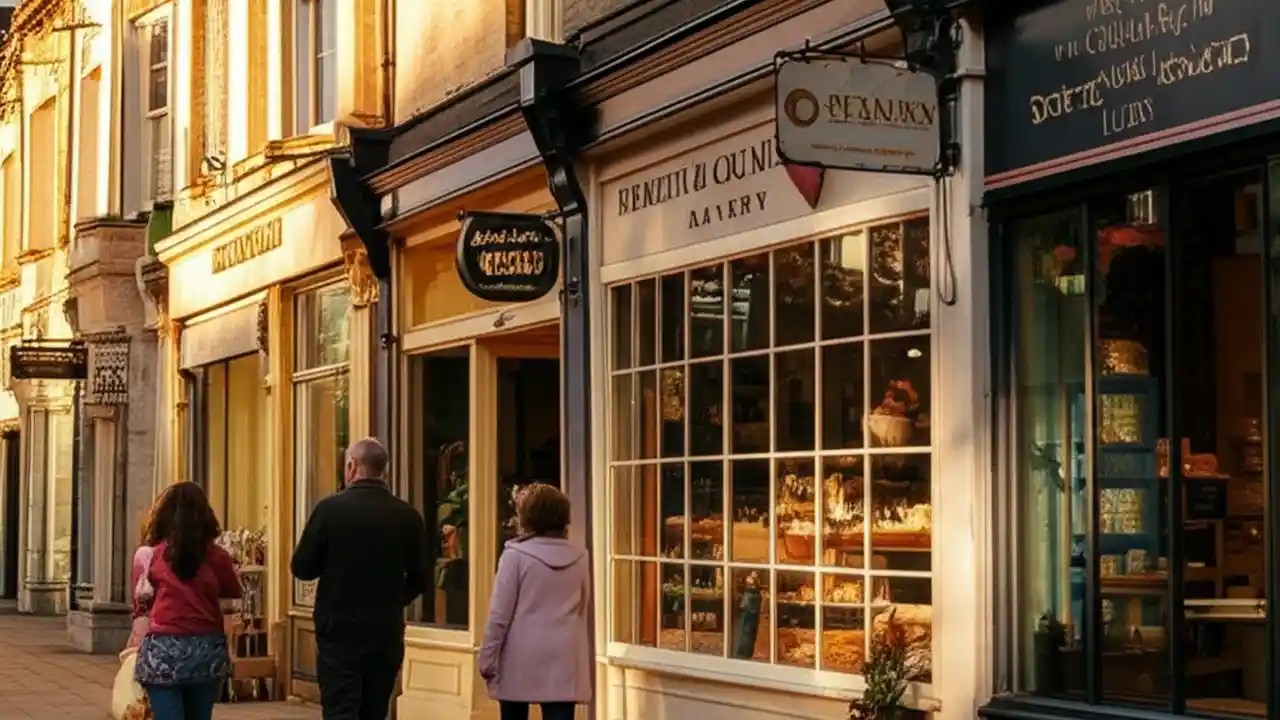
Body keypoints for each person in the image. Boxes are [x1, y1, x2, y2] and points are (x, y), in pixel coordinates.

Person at [292, 437, 428, 720]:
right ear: (384, 470)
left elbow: (302, 567)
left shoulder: (330, 510)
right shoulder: (407, 516)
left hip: (338, 628)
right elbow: (420, 577)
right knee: (374, 708)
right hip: (384, 630)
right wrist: (393, 599)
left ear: (352, 466)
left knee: (341, 708)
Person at [478, 483, 592, 720]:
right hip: (564, 656)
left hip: (518, 659)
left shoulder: (515, 557)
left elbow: (500, 615)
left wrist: (487, 659)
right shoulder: (580, 557)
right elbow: (583, 607)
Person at [131, 482, 242, 720]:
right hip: (205, 654)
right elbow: (233, 595)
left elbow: (140, 608)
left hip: (163, 654)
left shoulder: (151, 556)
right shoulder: (218, 557)